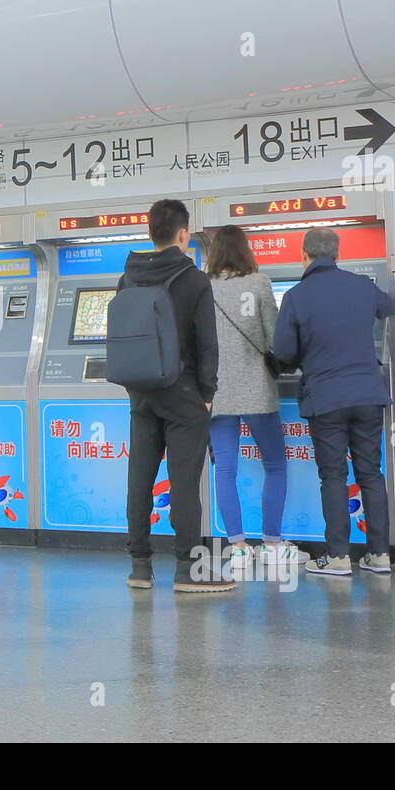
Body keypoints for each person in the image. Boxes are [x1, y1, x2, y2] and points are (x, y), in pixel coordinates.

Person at [272, 227, 395, 575]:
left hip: (326, 397)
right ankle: (379, 555)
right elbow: (390, 306)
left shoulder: (296, 295)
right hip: (368, 394)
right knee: (371, 473)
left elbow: (283, 351)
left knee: (333, 476)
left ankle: (339, 557)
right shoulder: (361, 286)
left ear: (304, 255)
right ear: (337, 254)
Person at [120, 199, 230, 593]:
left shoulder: (128, 276)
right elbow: (207, 345)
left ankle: (139, 566)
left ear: (152, 233)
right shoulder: (194, 279)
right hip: (183, 393)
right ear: (184, 234)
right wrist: (207, 394)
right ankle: (188, 568)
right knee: (183, 483)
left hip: (141, 393)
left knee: (140, 479)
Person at [205, 226, 304, 572]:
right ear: (246, 250)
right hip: (257, 389)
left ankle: (238, 548)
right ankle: (273, 544)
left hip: (217, 391)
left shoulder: (205, 288)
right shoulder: (260, 283)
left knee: (225, 470)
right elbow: (273, 338)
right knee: (274, 465)